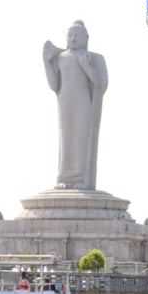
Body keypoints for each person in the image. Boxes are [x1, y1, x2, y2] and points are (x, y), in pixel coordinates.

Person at [43, 20, 108, 190]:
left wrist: (87, 67)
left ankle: (81, 178)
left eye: (77, 35)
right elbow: (54, 85)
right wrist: (47, 63)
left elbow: (101, 84)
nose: (73, 39)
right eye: (70, 35)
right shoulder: (61, 58)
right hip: (65, 103)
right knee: (66, 140)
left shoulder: (92, 58)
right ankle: (64, 177)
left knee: (81, 138)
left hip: (83, 103)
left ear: (86, 38)